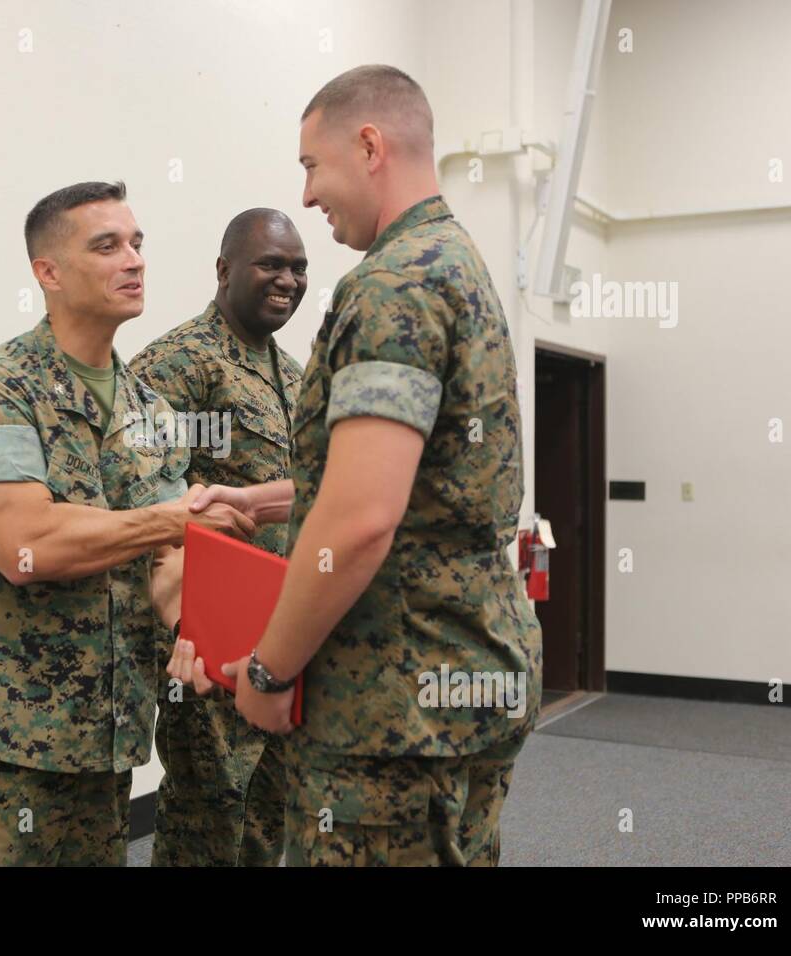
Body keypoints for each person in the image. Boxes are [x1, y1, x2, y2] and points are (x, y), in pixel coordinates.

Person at [194, 65, 543, 866]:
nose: (309, 195)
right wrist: (258, 498)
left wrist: (270, 671)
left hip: (390, 712)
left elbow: (360, 521)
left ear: (369, 145)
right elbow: (410, 480)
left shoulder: (392, 286)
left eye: (312, 166)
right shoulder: (455, 262)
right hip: (465, 677)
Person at [0, 180, 254, 866]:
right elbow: (27, 544)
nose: (133, 260)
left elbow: (166, 564)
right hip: (5, 741)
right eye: (107, 246)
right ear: (48, 272)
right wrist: (171, 517)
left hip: (109, 736)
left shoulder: (152, 412)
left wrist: (196, 627)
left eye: (137, 244)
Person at [129, 208, 308, 866]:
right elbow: (144, 493)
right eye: (271, 264)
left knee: (272, 800)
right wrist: (184, 621)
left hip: (281, 630)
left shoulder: (295, 375)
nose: (287, 279)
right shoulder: (179, 362)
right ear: (225, 270)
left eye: (298, 267)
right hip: (205, 635)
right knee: (211, 805)